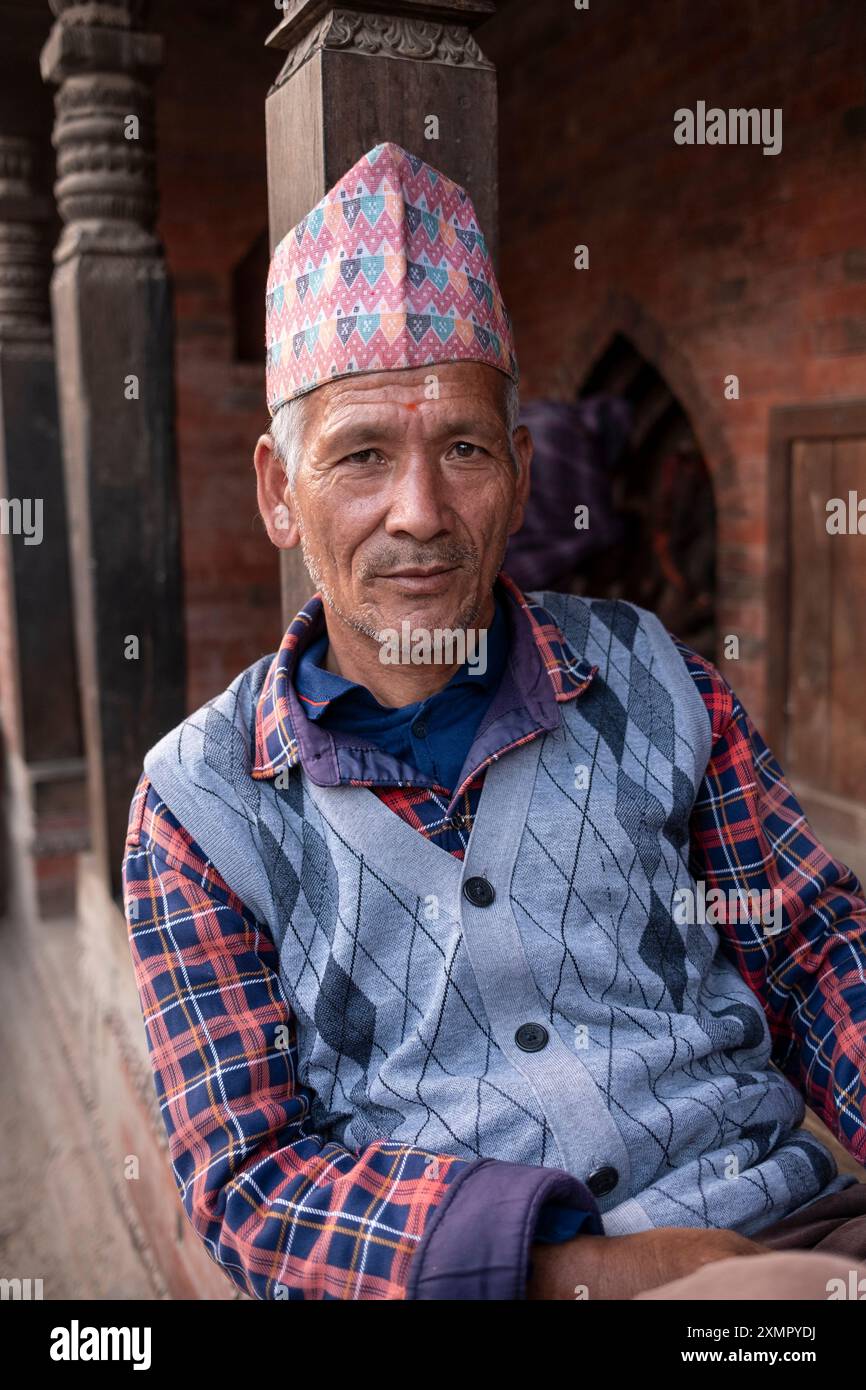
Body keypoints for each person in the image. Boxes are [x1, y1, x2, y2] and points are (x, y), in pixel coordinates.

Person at [122, 142, 866, 1301]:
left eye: (461, 448)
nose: (417, 513)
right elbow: (251, 1183)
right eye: (361, 455)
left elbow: (817, 943)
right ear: (278, 490)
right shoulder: (199, 809)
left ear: (519, 475)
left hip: (790, 1236)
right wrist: (593, 1273)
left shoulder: (648, 676)